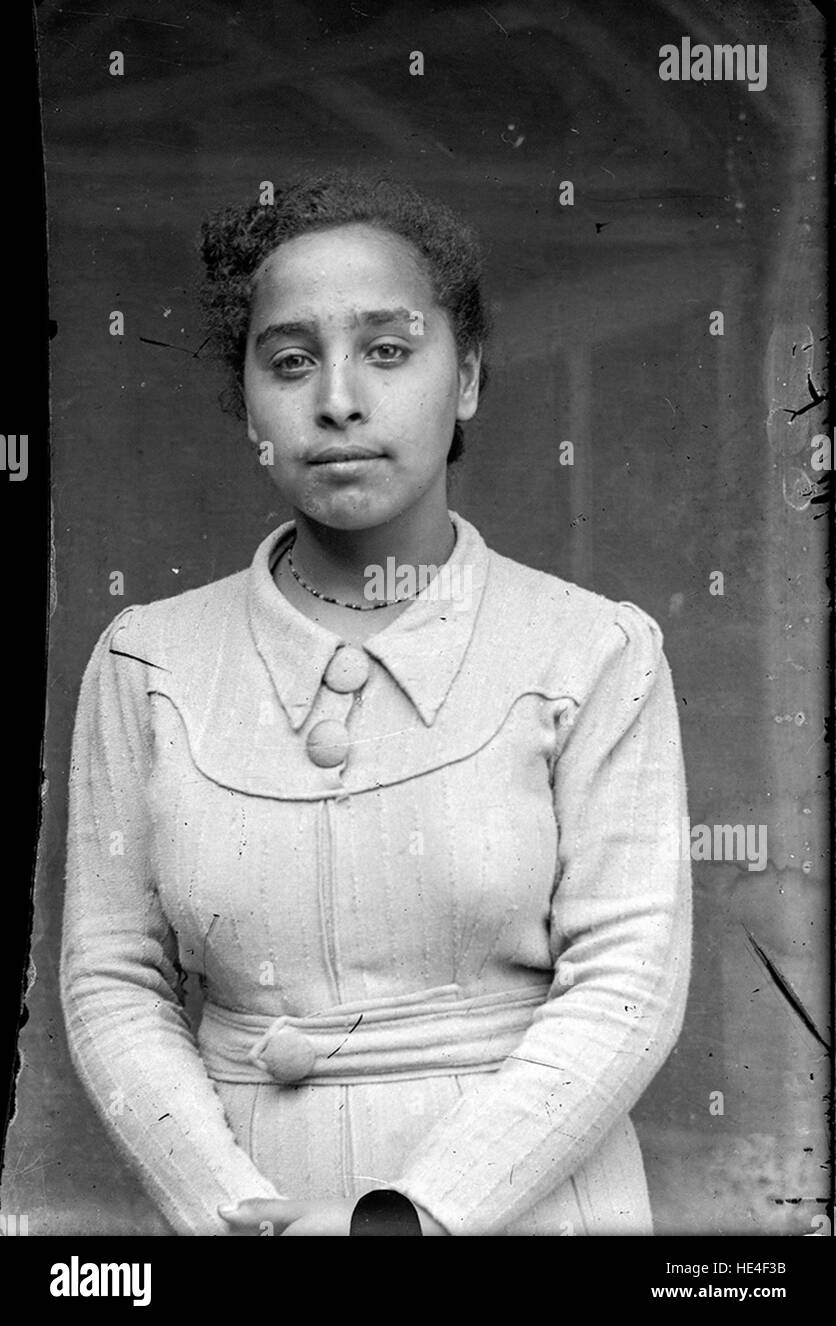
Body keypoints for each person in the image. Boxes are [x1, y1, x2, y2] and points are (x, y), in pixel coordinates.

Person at [61, 171, 692, 1237]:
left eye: (388, 351)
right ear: (246, 399)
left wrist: (412, 1221)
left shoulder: (594, 651)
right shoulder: (146, 664)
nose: (338, 398)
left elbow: (626, 986)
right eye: (291, 359)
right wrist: (230, 1210)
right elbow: (112, 977)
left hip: (524, 1214)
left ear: (469, 379)